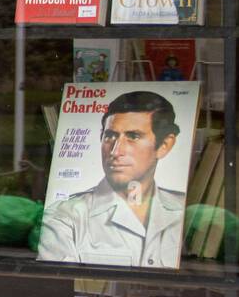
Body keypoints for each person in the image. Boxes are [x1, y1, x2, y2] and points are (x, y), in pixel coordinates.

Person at [38, 89, 186, 268]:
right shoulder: (66, 217)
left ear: (164, 145)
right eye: (110, 136)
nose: (116, 151)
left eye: (133, 136)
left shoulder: (184, 211)